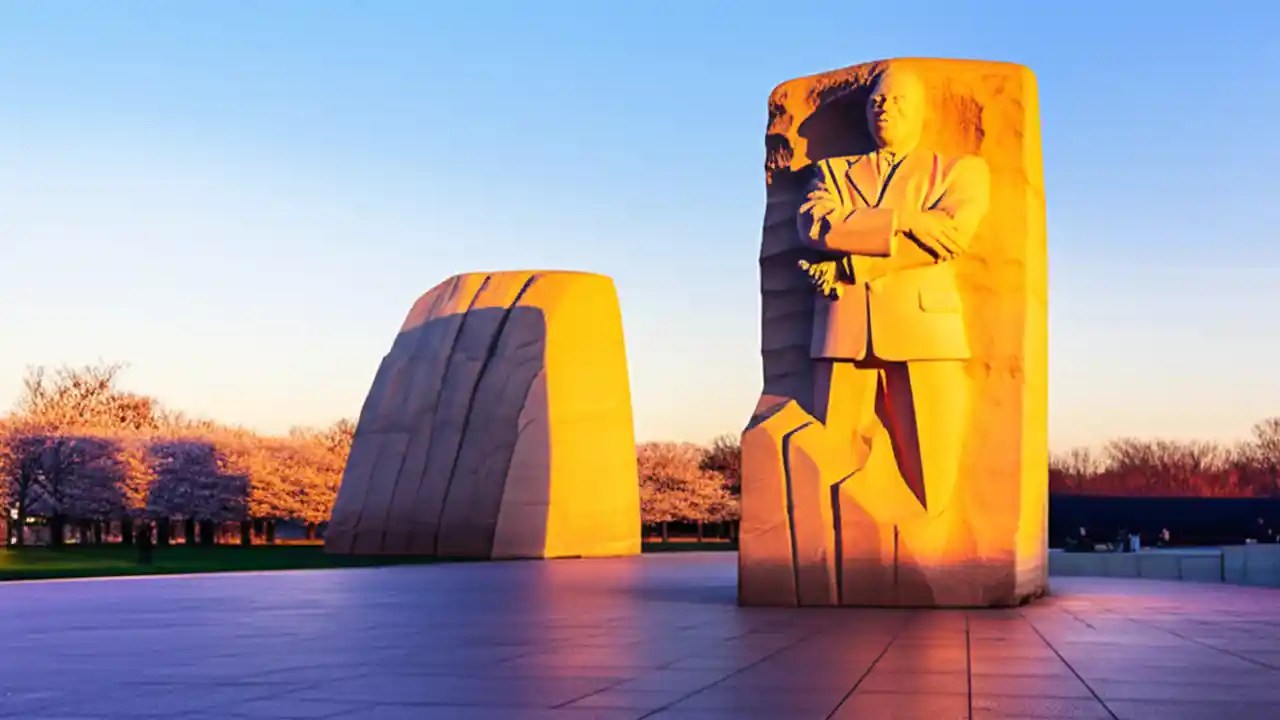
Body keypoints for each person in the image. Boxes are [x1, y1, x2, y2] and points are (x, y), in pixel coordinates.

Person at [795, 67, 991, 521]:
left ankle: (931, 555)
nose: (884, 107)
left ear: (922, 113)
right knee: (831, 457)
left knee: (932, 469)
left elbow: (950, 237)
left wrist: (850, 261)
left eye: (899, 101)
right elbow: (815, 225)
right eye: (877, 100)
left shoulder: (960, 171)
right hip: (843, 329)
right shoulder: (831, 171)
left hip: (923, 330)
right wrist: (907, 220)